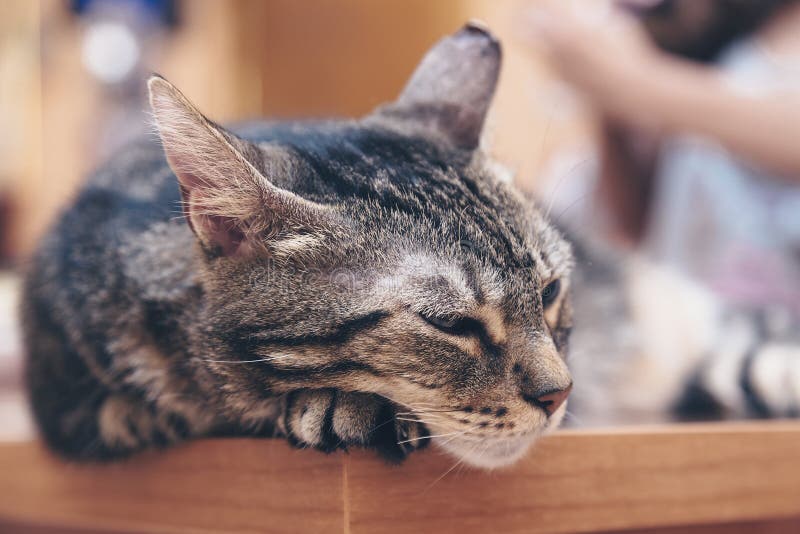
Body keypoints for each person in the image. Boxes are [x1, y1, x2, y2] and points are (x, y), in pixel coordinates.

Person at [524, 0, 800, 317]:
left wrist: (634, 82)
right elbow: (633, 230)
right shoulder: (717, 41)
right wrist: (602, 91)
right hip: (706, 336)